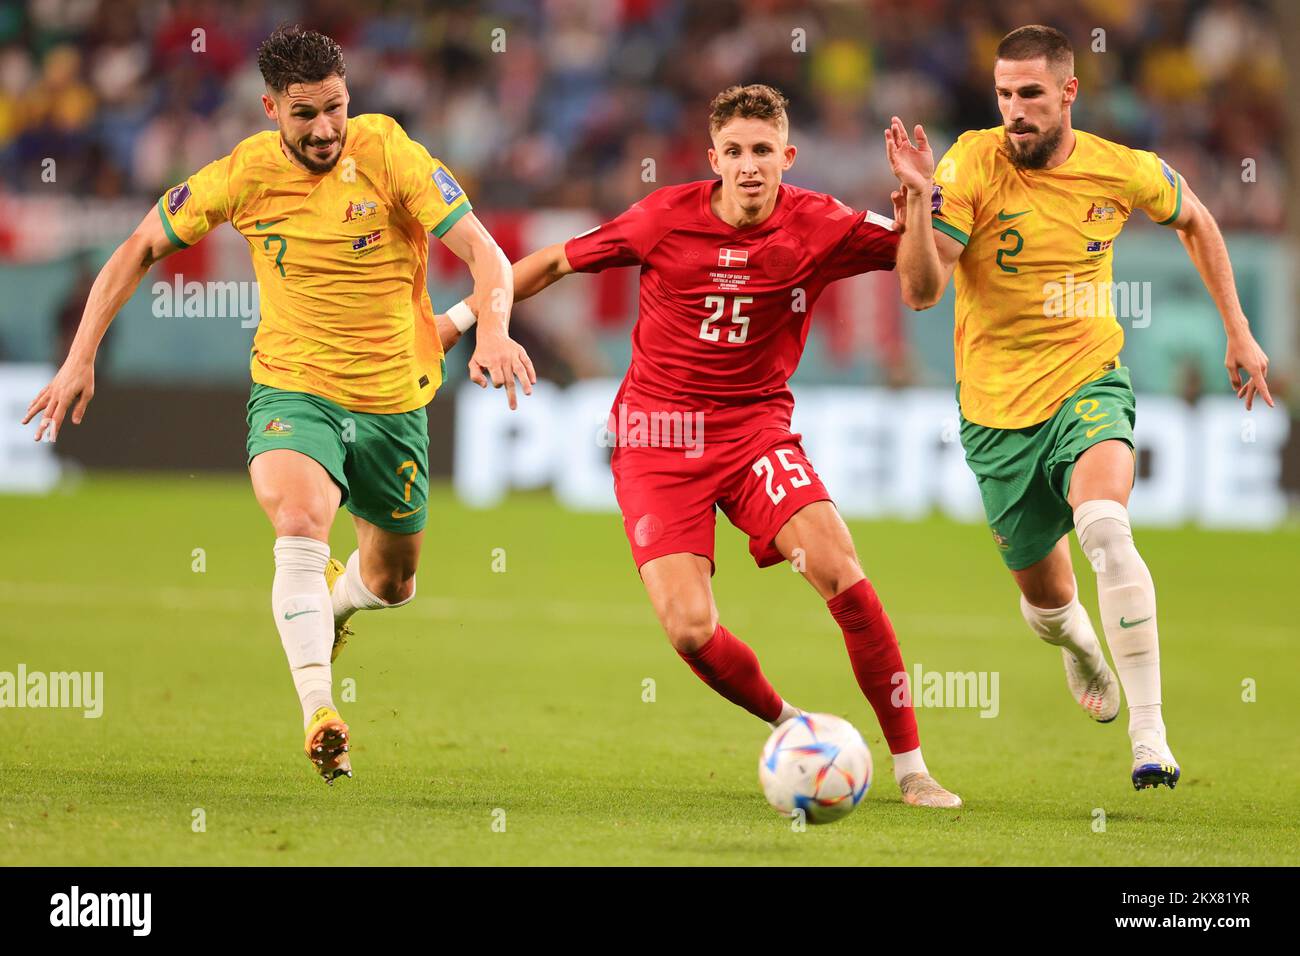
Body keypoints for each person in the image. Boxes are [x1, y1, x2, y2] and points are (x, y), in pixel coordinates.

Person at [22, 25, 535, 784]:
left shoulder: (390, 152)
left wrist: (490, 328)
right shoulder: (244, 174)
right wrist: (79, 356)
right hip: (295, 387)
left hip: (394, 402)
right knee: (298, 523)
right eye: (305, 115)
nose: (325, 129)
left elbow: (486, 252)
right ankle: (320, 711)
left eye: (335, 108)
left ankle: (339, 601)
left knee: (394, 582)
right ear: (271, 108)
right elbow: (137, 247)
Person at [447, 84, 961, 808]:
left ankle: (913, 769)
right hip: (656, 438)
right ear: (712, 158)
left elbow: (926, 281)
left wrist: (919, 202)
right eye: (735, 152)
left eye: (763, 152)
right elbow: (556, 261)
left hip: (754, 431)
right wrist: (467, 318)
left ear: (787, 156)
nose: (749, 166)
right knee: (690, 631)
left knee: (840, 567)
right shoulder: (662, 217)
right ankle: (794, 729)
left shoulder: (823, 223)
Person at [885, 24, 1272, 789]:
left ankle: (1150, 735)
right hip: (995, 412)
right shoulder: (969, 162)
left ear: (1068, 93)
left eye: (1030, 94)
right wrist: (919, 206)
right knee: (1048, 601)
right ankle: (1081, 647)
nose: (1015, 111)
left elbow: (1197, 218)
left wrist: (1239, 329)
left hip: (1087, 380)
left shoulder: (1120, 169)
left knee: (1104, 525)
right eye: (1003, 95)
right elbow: (923, 293)